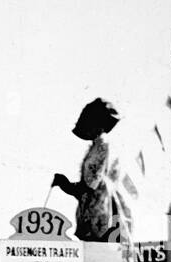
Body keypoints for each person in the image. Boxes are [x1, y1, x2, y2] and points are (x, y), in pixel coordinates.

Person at [50, 98, 134, 243]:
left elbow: (89, 186)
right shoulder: (102, 145)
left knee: (98, 255)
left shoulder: (102, 146)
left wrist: (66, 185)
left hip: (102, 214)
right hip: (105, 211)